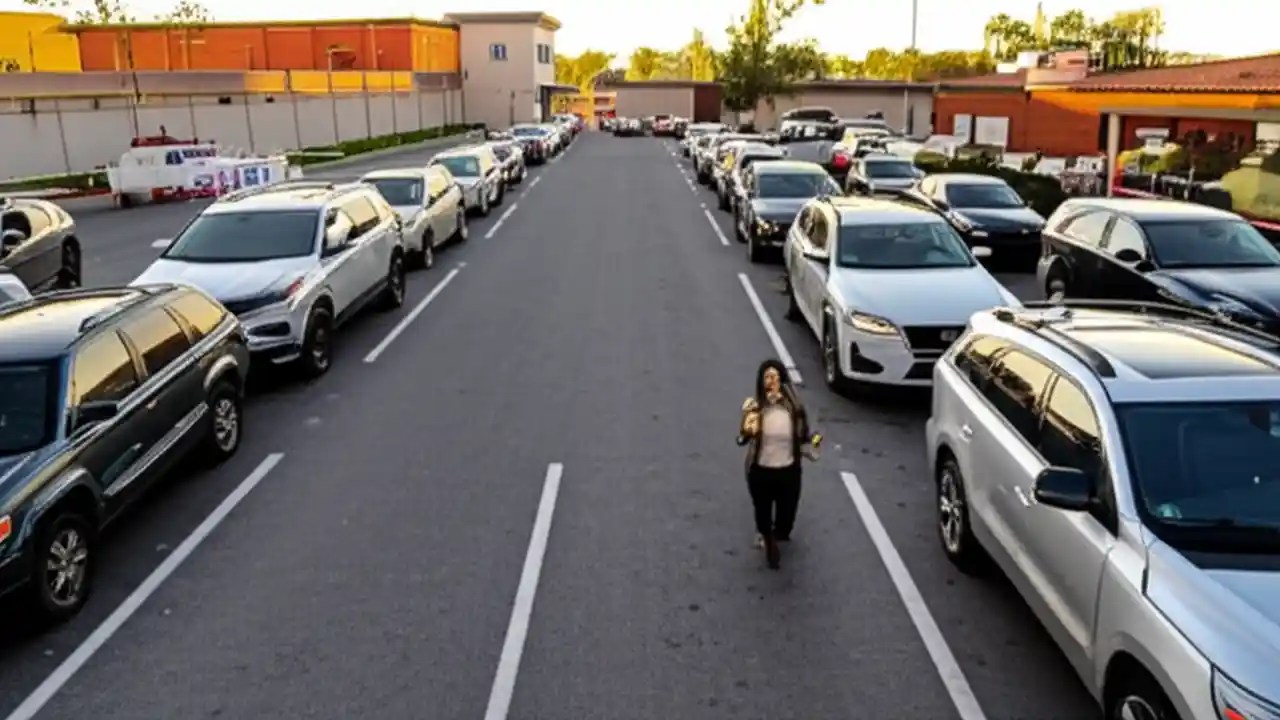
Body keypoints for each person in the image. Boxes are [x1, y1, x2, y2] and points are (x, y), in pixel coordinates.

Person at [736, 359, 820, 570]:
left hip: (788, 471)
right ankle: (769, 542)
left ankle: (777, 534)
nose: (771, 381)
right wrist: (749, 426)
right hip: (761, 470)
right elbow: (743, 437)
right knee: (762, 512)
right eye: (767, 377)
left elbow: (804, 436)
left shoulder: (795, 408)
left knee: (786, 519)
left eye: (775, 376)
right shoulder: (755, 407)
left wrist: (810, 447)